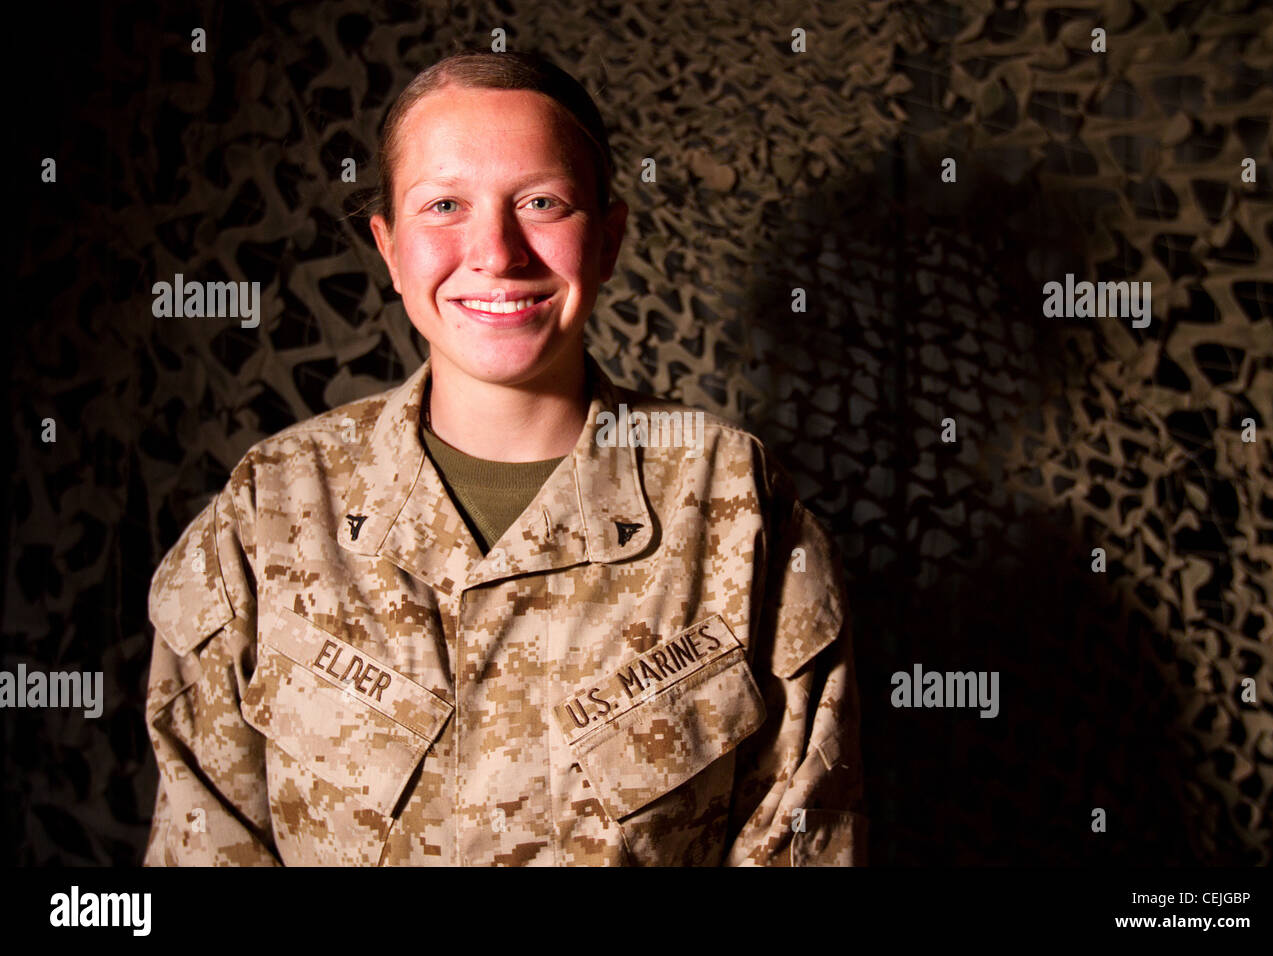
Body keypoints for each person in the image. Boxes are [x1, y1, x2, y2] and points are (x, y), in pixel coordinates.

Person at [143, 48, 867, 866]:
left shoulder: (737, 507)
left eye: (542, 202)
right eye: (444, 204)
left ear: (609, 238)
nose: (496, 251)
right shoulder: (269, 512)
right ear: (387, 245)